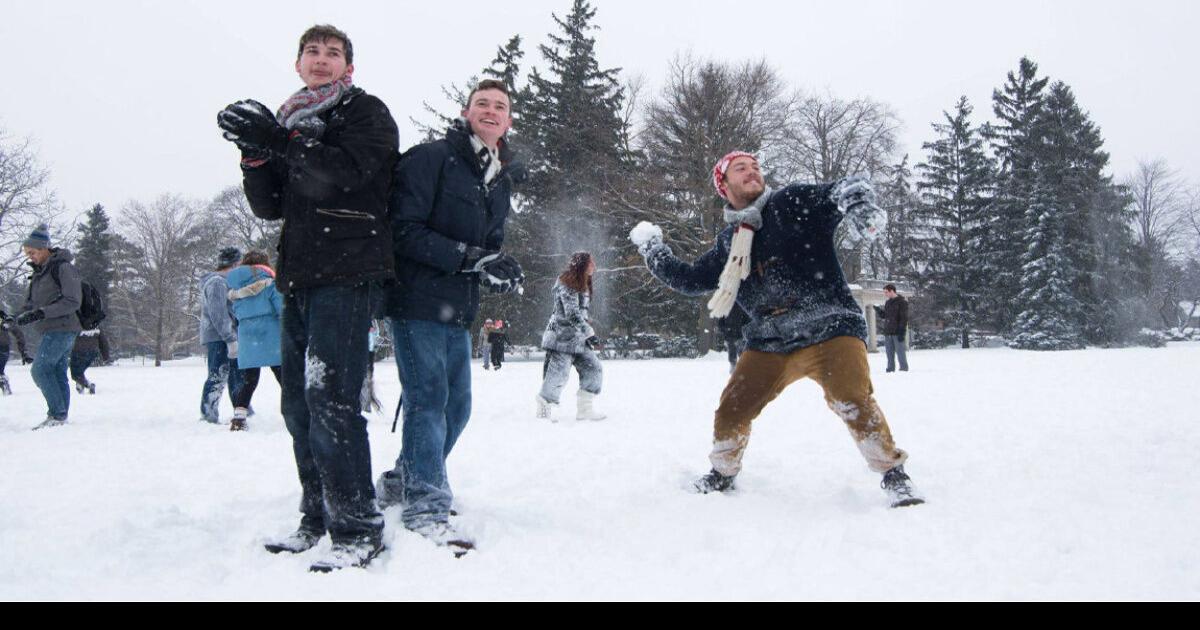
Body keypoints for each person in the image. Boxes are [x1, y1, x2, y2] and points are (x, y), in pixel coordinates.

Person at [629, 151, 923, 507]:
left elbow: (841, 189)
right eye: (741, 169)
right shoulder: (729, 243)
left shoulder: (791, 202)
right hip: (771, 338)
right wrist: (653, 250)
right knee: (732, 410)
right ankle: (723, 473)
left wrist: (858, 204)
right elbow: (690, 279)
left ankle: (894, 474)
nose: (752, 171)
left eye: (755, 167)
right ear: (724, 185)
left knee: (851, 396)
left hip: (829, 324)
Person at [218, 23, 399, 572]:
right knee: (298, 402)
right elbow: (271, 206)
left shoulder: (364, 113)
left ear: (349, 66)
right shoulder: (290, 120)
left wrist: (281, 142)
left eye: (333, 53)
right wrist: (254, 156)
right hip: (297, 277)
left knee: (333, 398)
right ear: (298, 64)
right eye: (312, 52)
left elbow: (347, 174)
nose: (321, 60)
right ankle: (317, 514)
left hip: (348, 272)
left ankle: (357, 526)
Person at [376, 79, 525, 554]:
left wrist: (496, 267)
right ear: (467, 112)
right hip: (417, 299)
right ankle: (426, 507)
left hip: (458, 308)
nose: (490, 110)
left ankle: (404, 480)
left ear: (508, 121)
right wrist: (469, 256)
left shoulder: (500, 177)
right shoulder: (432, 158)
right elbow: (403, 230)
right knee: (428, 397)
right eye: (482, 103)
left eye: (499, 106)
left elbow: (490, 245)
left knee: (457, 406)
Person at [14, 224, 82, 430]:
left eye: (32, 252)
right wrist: (13, 318)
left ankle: (57, 414)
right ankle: (60, 417)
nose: (30, 256)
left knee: (41, 370)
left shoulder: (62, 267)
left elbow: (72, 300)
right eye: (27, 253)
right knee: (56, 370)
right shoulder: (39, 273)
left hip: (62, 327)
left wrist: (41, 313)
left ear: (44, 249)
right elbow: (30, 306)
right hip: (51, 328)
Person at [537, 252, 606, 422]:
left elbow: (580, 314)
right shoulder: (566, 282)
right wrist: (589, 332)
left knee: (593, 368)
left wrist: (586, 329)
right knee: (558, 374)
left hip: (579, 338)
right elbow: (572, 313)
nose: (594, 266)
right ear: (582, 264)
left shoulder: (585, 282)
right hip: (561, 337)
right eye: (591, 263)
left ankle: (585, 410)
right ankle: (544, 410)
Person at [226, 251, 283, 432]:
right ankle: (298, 410)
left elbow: (235, 314)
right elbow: (282, 308)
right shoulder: (270, 283)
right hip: (271, 332)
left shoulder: (235, 289)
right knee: (284, 376)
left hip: (248, 334)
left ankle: (239, 417)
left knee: (249, 379)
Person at [198, 247, 244, 425]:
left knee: (236, 375)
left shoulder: (224, 282)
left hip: (226, 336)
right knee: (218, 374)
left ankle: (242, 409)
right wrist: (230, 338)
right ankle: (208, 413)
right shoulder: (217, 283)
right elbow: (218, 314)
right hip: (219, 338)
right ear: (233, 264)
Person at [874, 284, 910, 372]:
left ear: (892, 291)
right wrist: (878, 310)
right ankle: (890, 369)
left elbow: (903, 318)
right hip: (888, 332)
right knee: (889, 353)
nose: (885, 294)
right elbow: (885, 316)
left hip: (898, 332)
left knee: (900, 352)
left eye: (886, 292)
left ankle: (903, 369)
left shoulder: (902, 302)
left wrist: (902, 331)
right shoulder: (888, 303)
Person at [0, 310, 32, 396]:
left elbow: (18, 334)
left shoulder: (4, 318)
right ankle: (3, 382)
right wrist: (24, 352)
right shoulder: (4, 318)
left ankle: (3, 382)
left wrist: (24, 352)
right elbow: (18, 334)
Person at [70, 327, 111, 395]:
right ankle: (84, 384)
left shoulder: (77, 321)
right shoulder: (95, 323)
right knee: (79, 371)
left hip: (78, 351)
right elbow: (103, 340)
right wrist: (105, 355)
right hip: (92, 352)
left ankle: (83, 385)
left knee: (75, 373)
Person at [716, 303, 749, 374]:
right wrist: (725, 330)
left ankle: (743, 368)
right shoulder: (726, 305)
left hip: (741, 335)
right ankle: (733, 367)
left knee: (742, 353)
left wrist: (745, 330)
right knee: (732, 353)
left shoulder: (742, 305)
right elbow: (720, 323)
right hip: (730, 335)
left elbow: (747, 320)